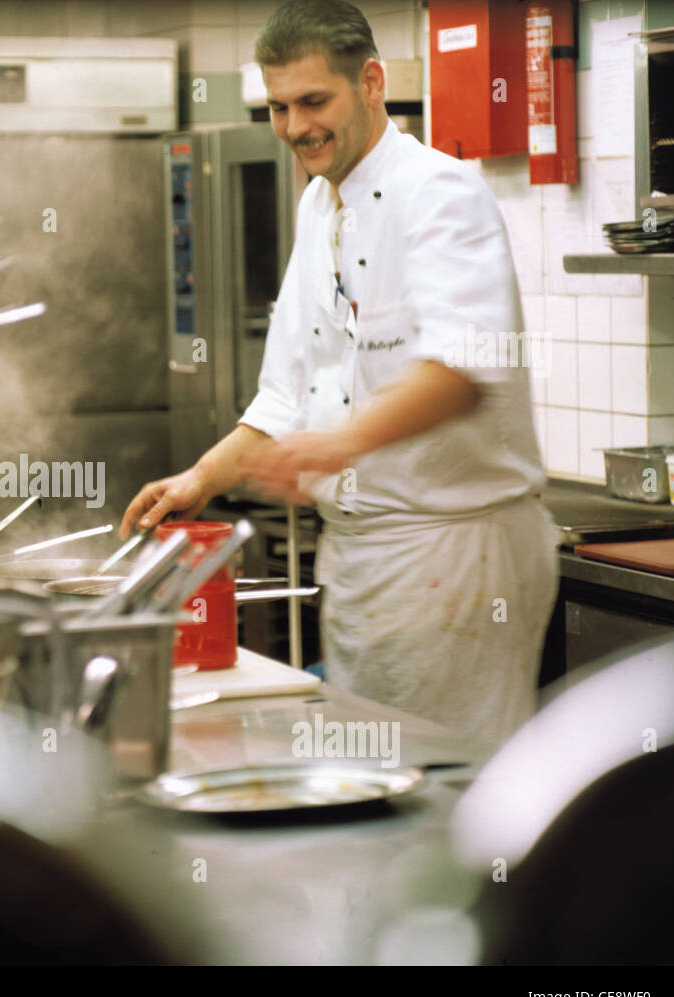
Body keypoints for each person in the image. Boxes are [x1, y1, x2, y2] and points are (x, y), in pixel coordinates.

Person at [121, 0, 558, 742]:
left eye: (313, 101)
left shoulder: (441, 193)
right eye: (279, 108)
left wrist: (337, 446)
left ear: (373, 82)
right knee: (378, 780)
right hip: (360, 558)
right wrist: (201, 478)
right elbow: (286, 397)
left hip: (451, 553)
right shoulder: (320, 207)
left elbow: (462, 367)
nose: (295, 128)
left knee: (442, 786)